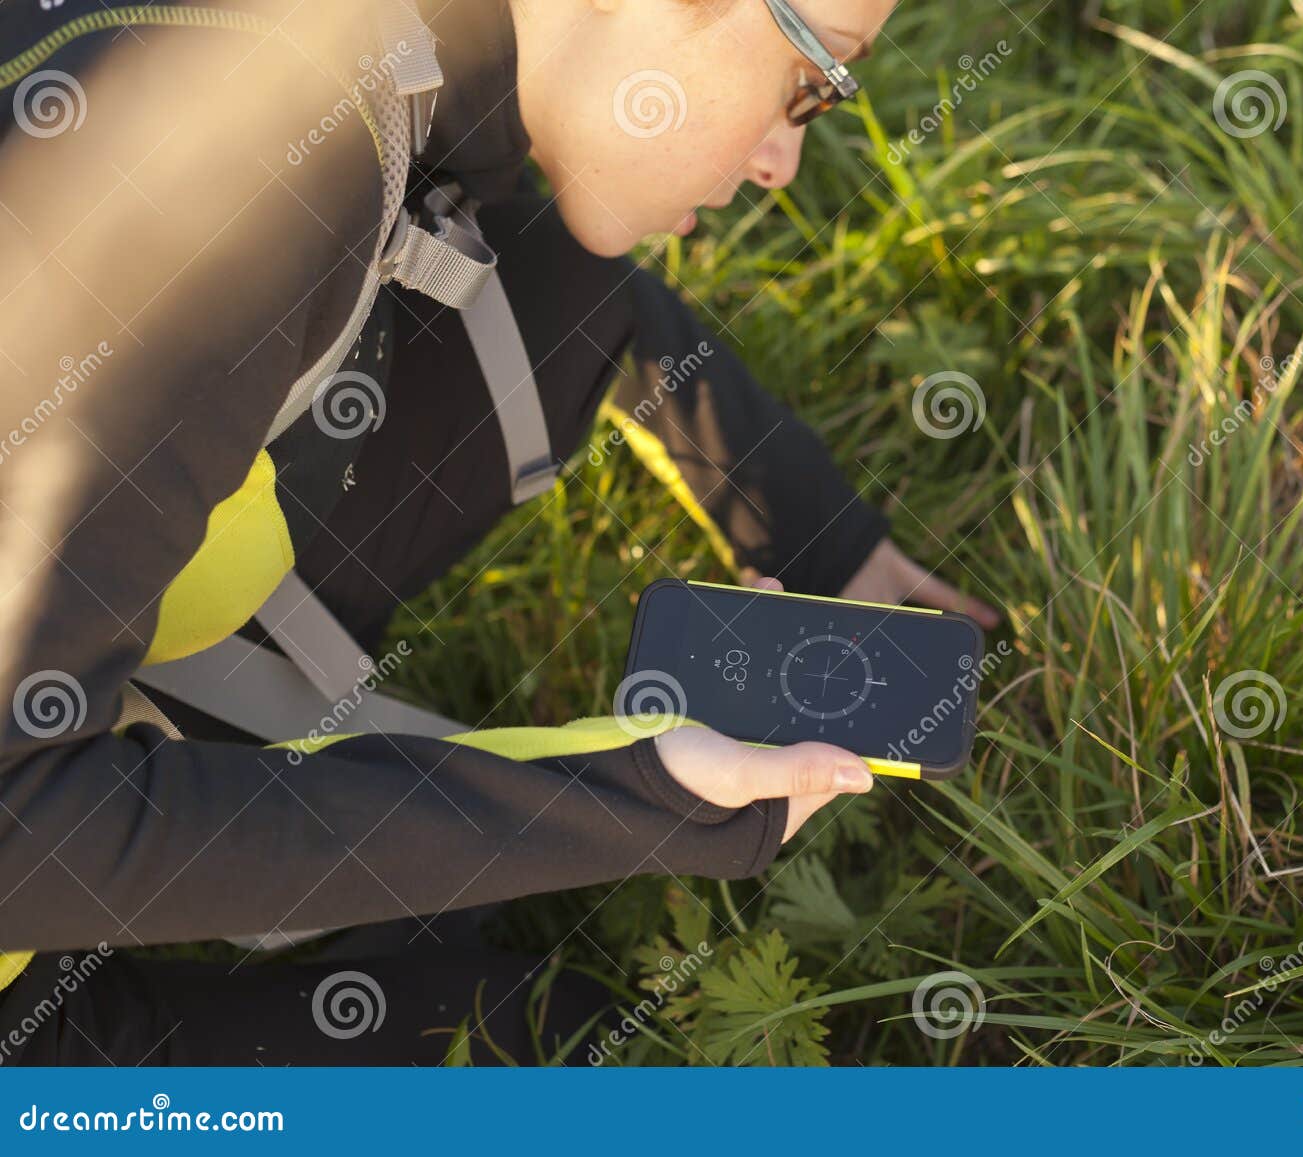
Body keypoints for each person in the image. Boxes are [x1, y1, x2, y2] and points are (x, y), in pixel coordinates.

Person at [0, 0, 997, 1064]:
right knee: (555, 1046)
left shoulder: (360, 67)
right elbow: (22, 830)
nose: (780, 162)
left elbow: (558, 287)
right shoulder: (236, 197)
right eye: (812, 79)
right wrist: (627, 793)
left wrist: (805, 518)